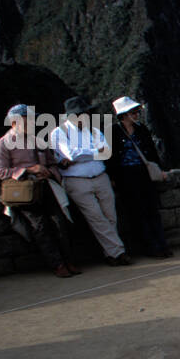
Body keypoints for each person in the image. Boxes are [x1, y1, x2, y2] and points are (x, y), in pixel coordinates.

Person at [0, 104, 79, 278]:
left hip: (46, 187)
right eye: (28, 118)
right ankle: (58, 264)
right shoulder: (3, 144)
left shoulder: (38, 140)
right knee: (40, 228)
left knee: (60, 223)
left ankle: (69, 260)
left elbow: (50, 160)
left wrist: (51, 169)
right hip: (25, 191)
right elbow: (1, 172)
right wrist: (30, 170)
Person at [52, 96, 131, 266]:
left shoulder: (93, 130)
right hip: (77, 181)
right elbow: (72, 154)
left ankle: (110, 252)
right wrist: (94, 151)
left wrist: (83, 153)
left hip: (101, 177)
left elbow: (106, 152)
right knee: (96, 217)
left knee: (111, 216)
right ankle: (118, 253)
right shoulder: (59, 133)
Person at [108, 96, 172, 258]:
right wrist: (112, 177)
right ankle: (151, 247)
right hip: (126, 176)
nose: (136, 114)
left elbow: (151, 152)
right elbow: (108, 157)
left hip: (143, 173)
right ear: (123, 114)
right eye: (133, 112)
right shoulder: (113, 132)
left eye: (136, 111)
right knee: (138, 212)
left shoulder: (141, 129)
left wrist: (160, 169)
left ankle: (162, 245)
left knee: (152, 210)